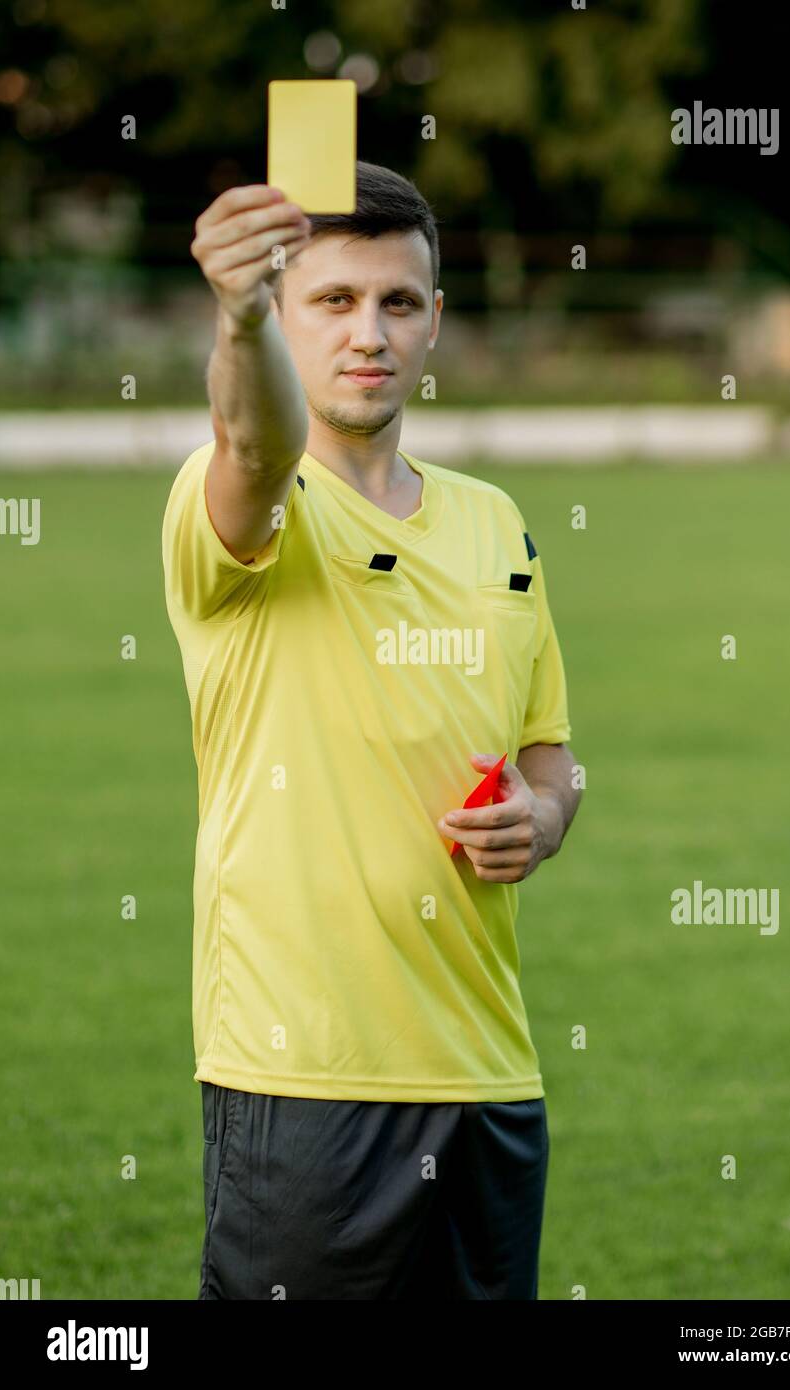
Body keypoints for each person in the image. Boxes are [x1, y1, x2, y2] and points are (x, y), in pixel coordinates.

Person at [162, 160, 582, 1300]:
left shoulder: (494, 520)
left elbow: (551, 751)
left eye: (397, 303)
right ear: (283, 318)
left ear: (435, 320)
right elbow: (252, 443)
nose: (369, 333)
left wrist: (537, 818)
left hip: (489, 1074)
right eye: (331, 302)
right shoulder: (245, 494)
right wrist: (237, 315)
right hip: (305, 1083)